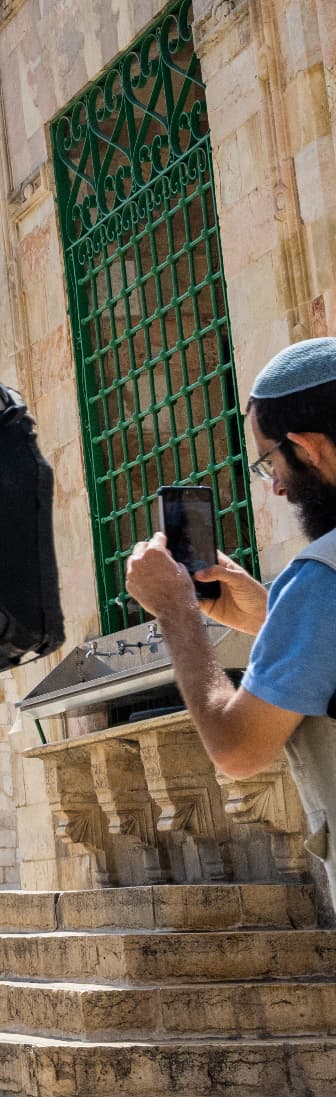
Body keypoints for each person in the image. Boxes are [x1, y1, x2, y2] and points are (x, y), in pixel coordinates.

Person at [125, 338, 336, 899]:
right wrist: (273, 616)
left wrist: (176, 613)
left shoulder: (323, 576)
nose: (279, 486)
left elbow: (237, 748)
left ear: (309, 447)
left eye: (271, 462)